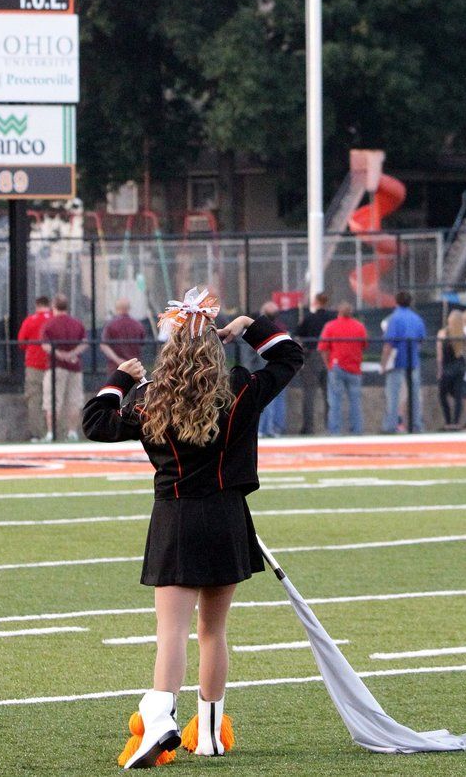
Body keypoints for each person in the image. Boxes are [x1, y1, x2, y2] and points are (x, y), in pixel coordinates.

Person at [82, 285, 302, 766]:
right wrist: (248, 326)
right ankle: (209, 733)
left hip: (176, 520)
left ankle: (159, 719)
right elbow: (289, 358)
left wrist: (119, 377)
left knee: (171, 635)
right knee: (212, 633)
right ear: (214, 345)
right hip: (227, 518)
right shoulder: (241, 388)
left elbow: (96, 422)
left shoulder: (149, 399)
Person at [41, 292, 86, 439]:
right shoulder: (77, 323)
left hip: (56, 367)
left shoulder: (49, 324)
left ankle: (51, 433)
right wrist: (72, 354)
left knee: (53, 400)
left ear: (54, 306)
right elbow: (84, 343)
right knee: (74, 400)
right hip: (75, 366)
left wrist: (60, 355)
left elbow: (46, 346)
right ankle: (72, 432)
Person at [318, 302, 367, 435]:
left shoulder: (331, 326)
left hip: (336, 366)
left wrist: (328, 365)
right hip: (355, 368)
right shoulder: (359, 326)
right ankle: (357, 430)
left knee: (334, 402)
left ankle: (335, 431)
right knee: (355, 402)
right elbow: (364, 345)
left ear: (338, 312)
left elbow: (323, 348)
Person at [381, 290, 426, 433]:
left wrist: (383, 364)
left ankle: (391, 425)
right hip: (413, 361)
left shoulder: (394, 319)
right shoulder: (417, 318)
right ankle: (416, 424)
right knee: (414, 395)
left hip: (397, 362)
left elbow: (389, 344)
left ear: (396, 302)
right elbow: (420, 340)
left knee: (394, 395)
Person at [16, 293, 53, 439]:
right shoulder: (54, 319)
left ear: (37, 306)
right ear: (49, 305)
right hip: (52, 365)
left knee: (34, 400)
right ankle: (55, 432)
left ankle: (37, 435)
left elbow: (21, 342)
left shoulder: (30, 320)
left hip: (33, 366)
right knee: (53, 400)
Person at [295, 291, 332, 433]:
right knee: (329, 394)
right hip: (329, 356)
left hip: (312, 357)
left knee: (309, 394)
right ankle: (330, 426)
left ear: (316, 301)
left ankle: (308, 427)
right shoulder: (332, 317)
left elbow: (297, 333)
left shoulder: (309, 318)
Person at [256, 300, 294, 437]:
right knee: (278, 400)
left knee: (266, 400)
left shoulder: (260, 328)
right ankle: (276, 428)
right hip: (281, 368)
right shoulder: (282, 329)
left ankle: (264, 429)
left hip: (266, 369)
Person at [436, 308, 466, 429]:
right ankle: (456, 422)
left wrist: (439, 370)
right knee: (458, 396)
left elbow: (439, 355)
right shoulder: (463, 335)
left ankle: (448, 422)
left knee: (443, 395)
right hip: (460, 368)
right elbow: (465, 353)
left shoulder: (443, 333)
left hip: (447, 368)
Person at [101, 299, 149, 370]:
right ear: (129, 308)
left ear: (116, 309)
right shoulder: (138, 325)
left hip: (116, 368)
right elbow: (142, 342)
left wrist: (117, 360)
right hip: (134, 367)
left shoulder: (111, 325)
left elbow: (104, 345)